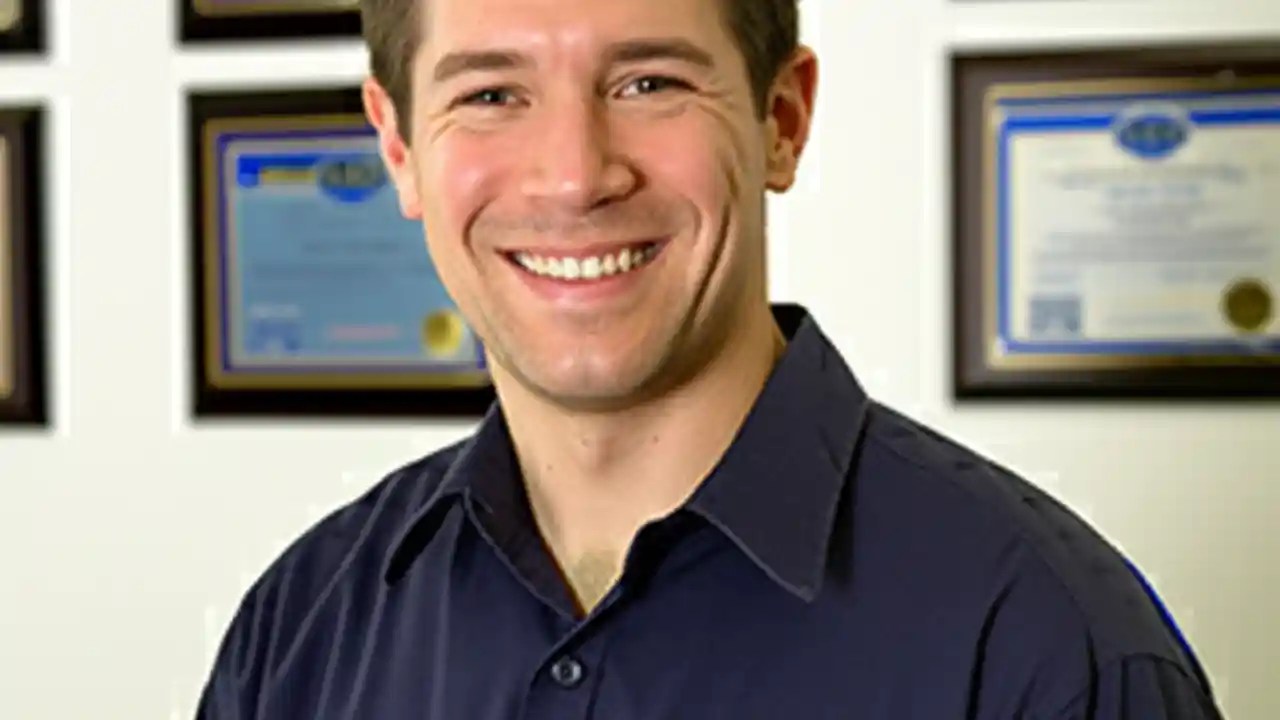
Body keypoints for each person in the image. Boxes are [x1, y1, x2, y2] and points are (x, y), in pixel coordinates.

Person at [194, 0, 1227, 717]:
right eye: (492, 95)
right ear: (399, 147)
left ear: (780, 121)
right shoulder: (303, 626)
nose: (572, 175)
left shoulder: (1052, 651)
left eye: (647, 81)